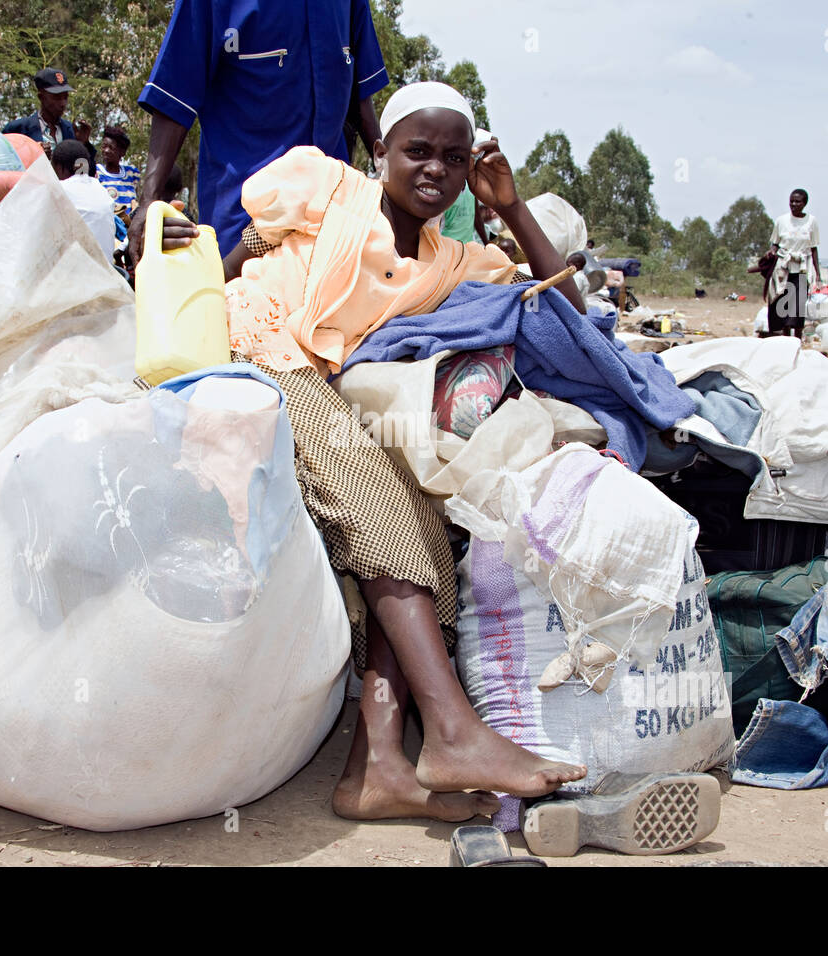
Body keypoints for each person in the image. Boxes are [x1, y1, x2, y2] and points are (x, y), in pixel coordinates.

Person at [153, 82, 587, 821]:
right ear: (379, 151)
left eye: (454, 158)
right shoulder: (328, 186)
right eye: (417, 150)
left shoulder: (455, 262)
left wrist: (511, 207)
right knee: (377, 500)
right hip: (256, 350)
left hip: (331, 387)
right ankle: (451, 730)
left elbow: (569, 309)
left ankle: (377, 766)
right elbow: (244, 249)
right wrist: (190, 309)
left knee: (422, 526)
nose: (434, 170)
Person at [128, 0, 390, 265]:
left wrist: (391, 180)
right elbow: (174, 96)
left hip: (332, 216)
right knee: (240, 300)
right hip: (242, 223)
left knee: (332, 300)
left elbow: (361, 97)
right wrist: (148, 201)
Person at [765, 188, 820, 337]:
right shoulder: (781, 221)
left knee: (797, 307)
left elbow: (814, 249)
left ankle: (797, 340)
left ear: (804, 203)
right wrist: (772, 251)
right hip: (783, 268)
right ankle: (785, 338)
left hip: (802, 268)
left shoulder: (811, 222)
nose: (794, 204)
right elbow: (775, 243)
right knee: (781, 304)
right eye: (791, 201)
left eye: (798, 201)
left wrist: (818, 275)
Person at [51, 140, 115, 263]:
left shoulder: (61, 189)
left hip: (77, 274)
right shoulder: (100, 189)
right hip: (107, 272)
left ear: (59, 167)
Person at [2, 68, 76, 158]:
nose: (62, 103)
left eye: (65, 97)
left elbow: (85, 169)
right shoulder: (17, 130)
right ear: (41, 97)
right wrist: (32, 153)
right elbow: (3, 163)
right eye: (57, 97)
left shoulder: (71, 131)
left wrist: (84, 144)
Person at [96, 125, 141, 218]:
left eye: (111, 147)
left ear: (122, 152)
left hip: (129, 228)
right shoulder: (97, 172)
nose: (106, 150)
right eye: (104, 146)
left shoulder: (131, 174)